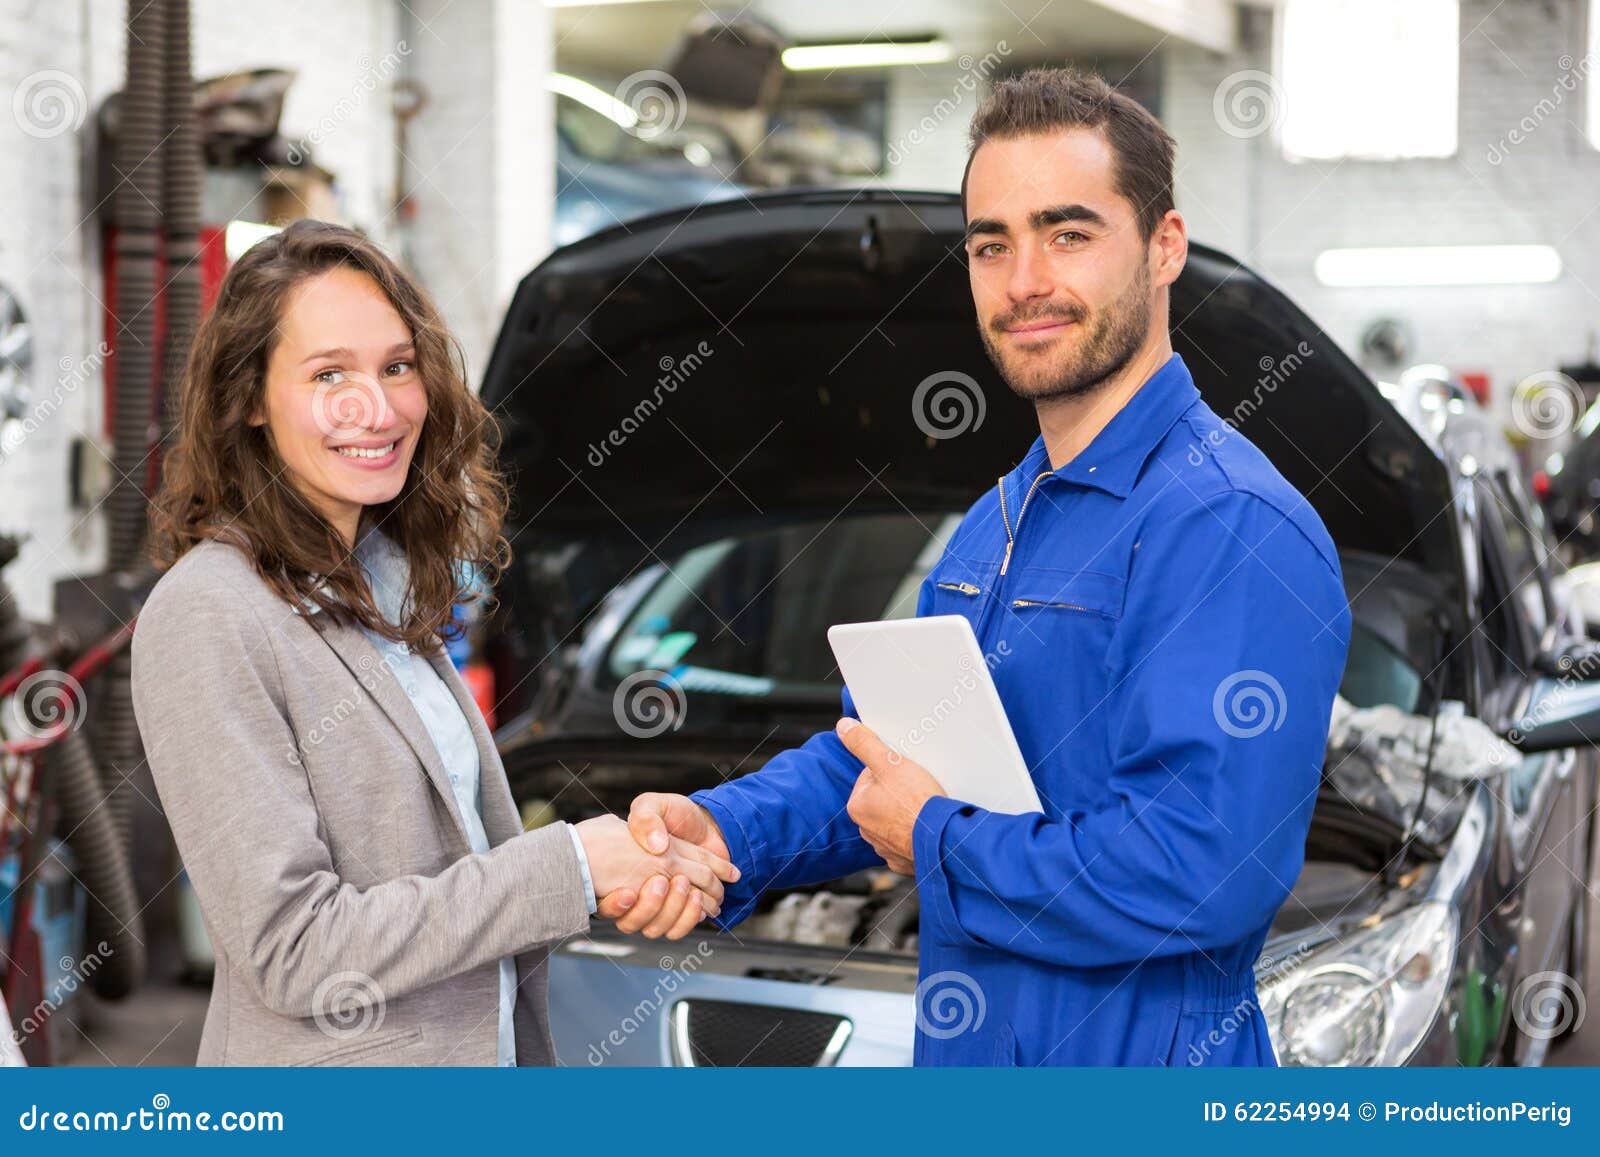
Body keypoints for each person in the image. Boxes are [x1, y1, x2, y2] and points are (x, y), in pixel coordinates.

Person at [613, 68, 1352, 1066]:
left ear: (1163, 246)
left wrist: (936, 838)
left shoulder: (1225, 524)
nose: (1024, 280)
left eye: (1068, 233)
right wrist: (722, 827)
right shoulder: (996, 521)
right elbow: (883, 761)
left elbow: (1201, 866)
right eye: (990, 243)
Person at [131, 221, 735, 1066]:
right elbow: (293, 947)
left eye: (396, 366)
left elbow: (449, 867)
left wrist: (618, 863)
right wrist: (567, 867)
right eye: (328, 373)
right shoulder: (209, 613)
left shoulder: (381, 583)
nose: (376, 408)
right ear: (248, 400)